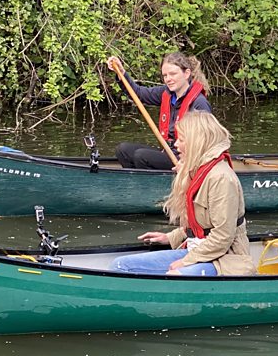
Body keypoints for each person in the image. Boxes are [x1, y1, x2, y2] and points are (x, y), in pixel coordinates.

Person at [108, 111, 254, 276]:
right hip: (196, 250)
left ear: (196, 142)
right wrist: (170, 238)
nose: (176, 145)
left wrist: (185, 262)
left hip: (225, 259)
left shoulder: (221, 178)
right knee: (120, 265)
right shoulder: (197, 171)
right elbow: (199, 225)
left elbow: (222, 237)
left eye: (182, 140)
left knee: (175, 276)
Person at [107, 53, 212, 170]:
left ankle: (153, 185)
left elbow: (205, 141)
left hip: (186, 159)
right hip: (167, 152)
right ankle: (136, 184)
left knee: (141, 156)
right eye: (165, 75)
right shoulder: (165, 93)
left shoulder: (199, 103)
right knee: (123, 150)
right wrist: (121, 73)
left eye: (173, 74)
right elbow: (138, 93)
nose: (168, 79)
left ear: (186, 74)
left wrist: (188, 164)